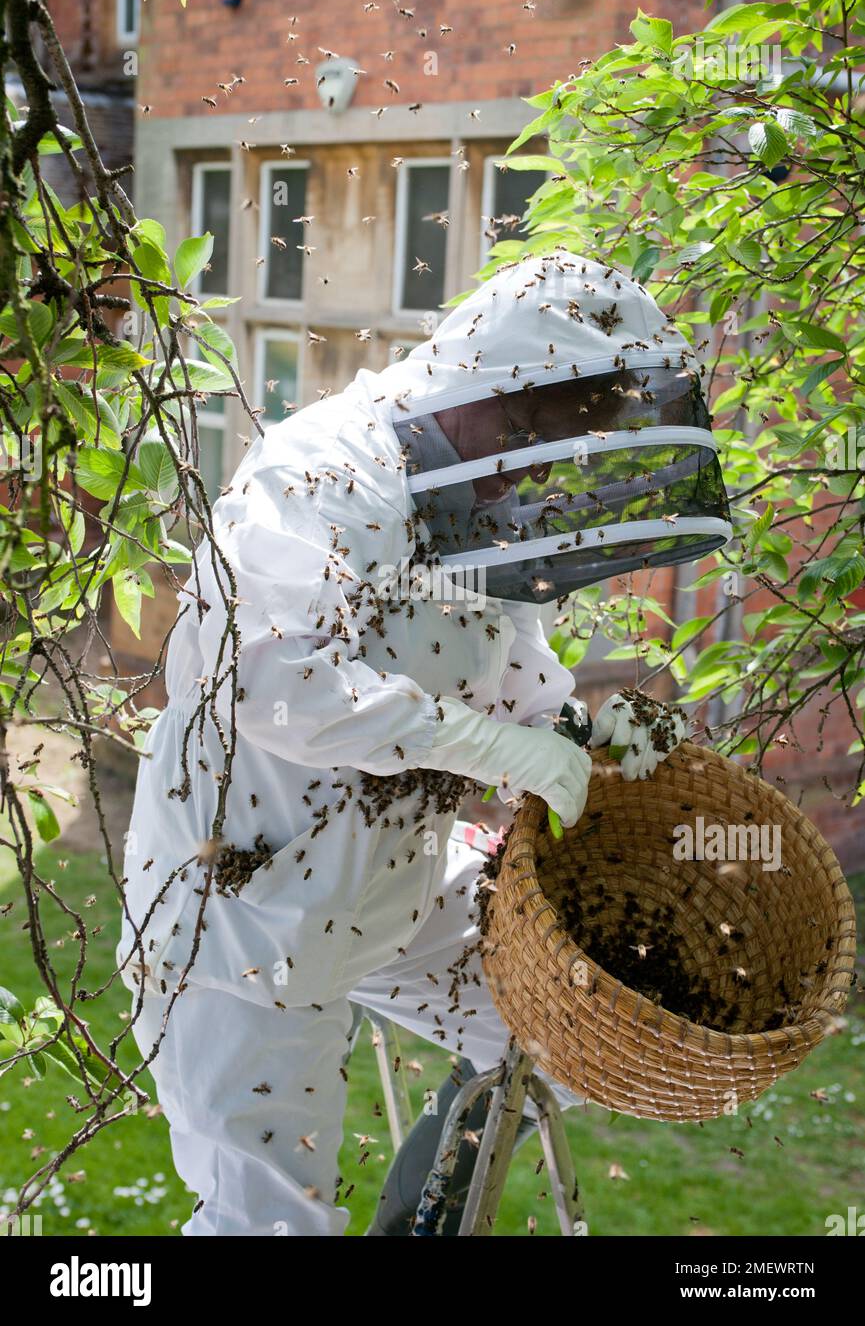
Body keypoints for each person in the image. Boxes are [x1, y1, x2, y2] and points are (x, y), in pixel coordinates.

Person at [116, 250, 732, 1236]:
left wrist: (567, 730)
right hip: (244, 909)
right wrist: (497, 751)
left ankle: (423, 1220)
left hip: (391, 886)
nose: (545, 466)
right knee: (266, 1222)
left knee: (574, 1027)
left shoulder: (473, 500)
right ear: (498, 384)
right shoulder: (323, 471)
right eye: (543, 433)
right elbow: (264, 677)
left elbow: (506, 645)